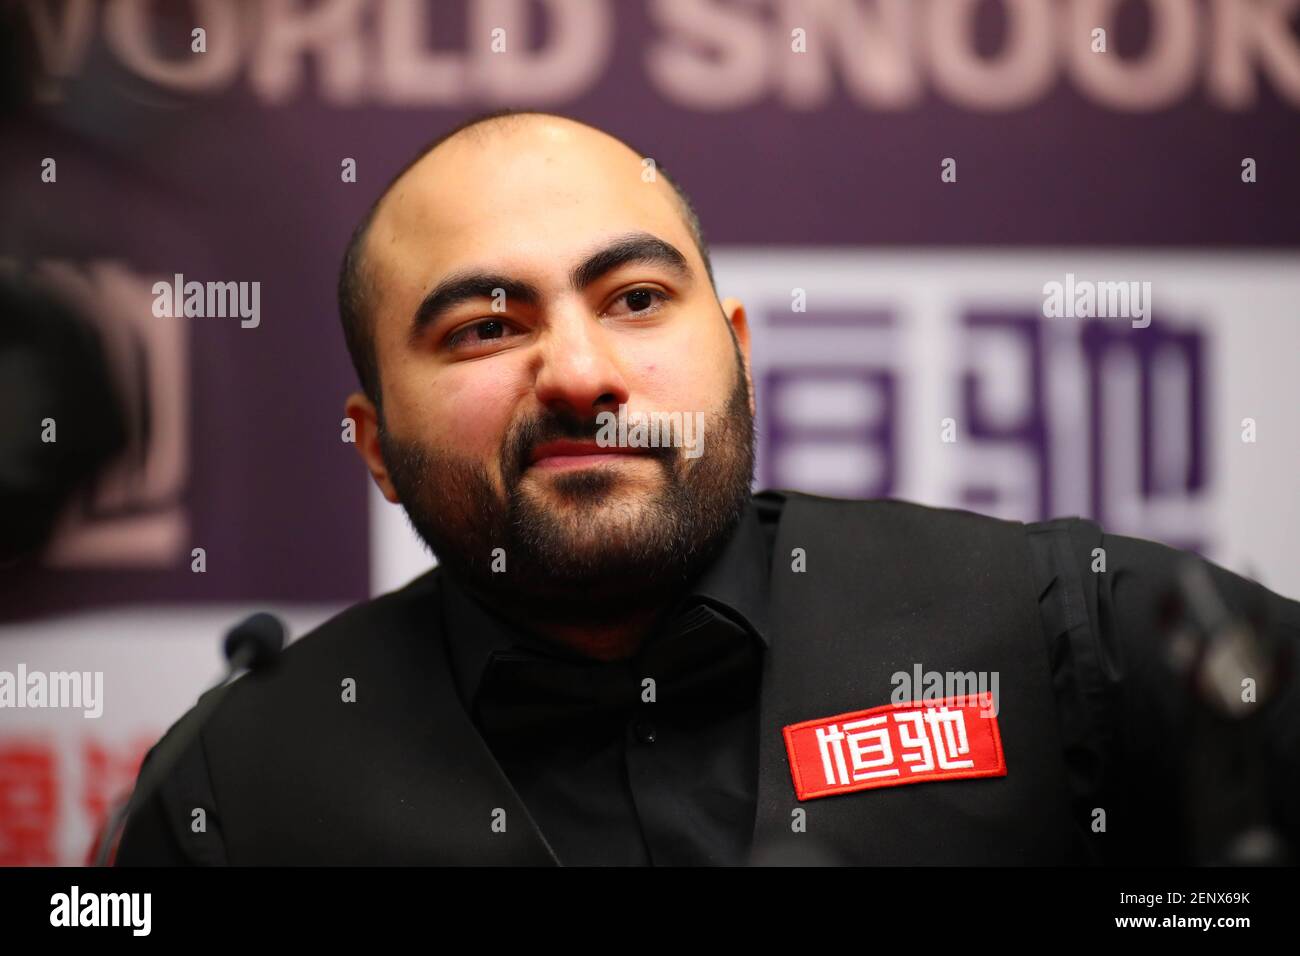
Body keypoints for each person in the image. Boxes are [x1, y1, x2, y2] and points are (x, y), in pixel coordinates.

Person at [114, 109, 1300, 866]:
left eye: (634, 298)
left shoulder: (1059, 623)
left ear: (734, 344)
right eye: (484, 325)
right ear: (372, 444)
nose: (579, 374)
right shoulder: (235, 788)